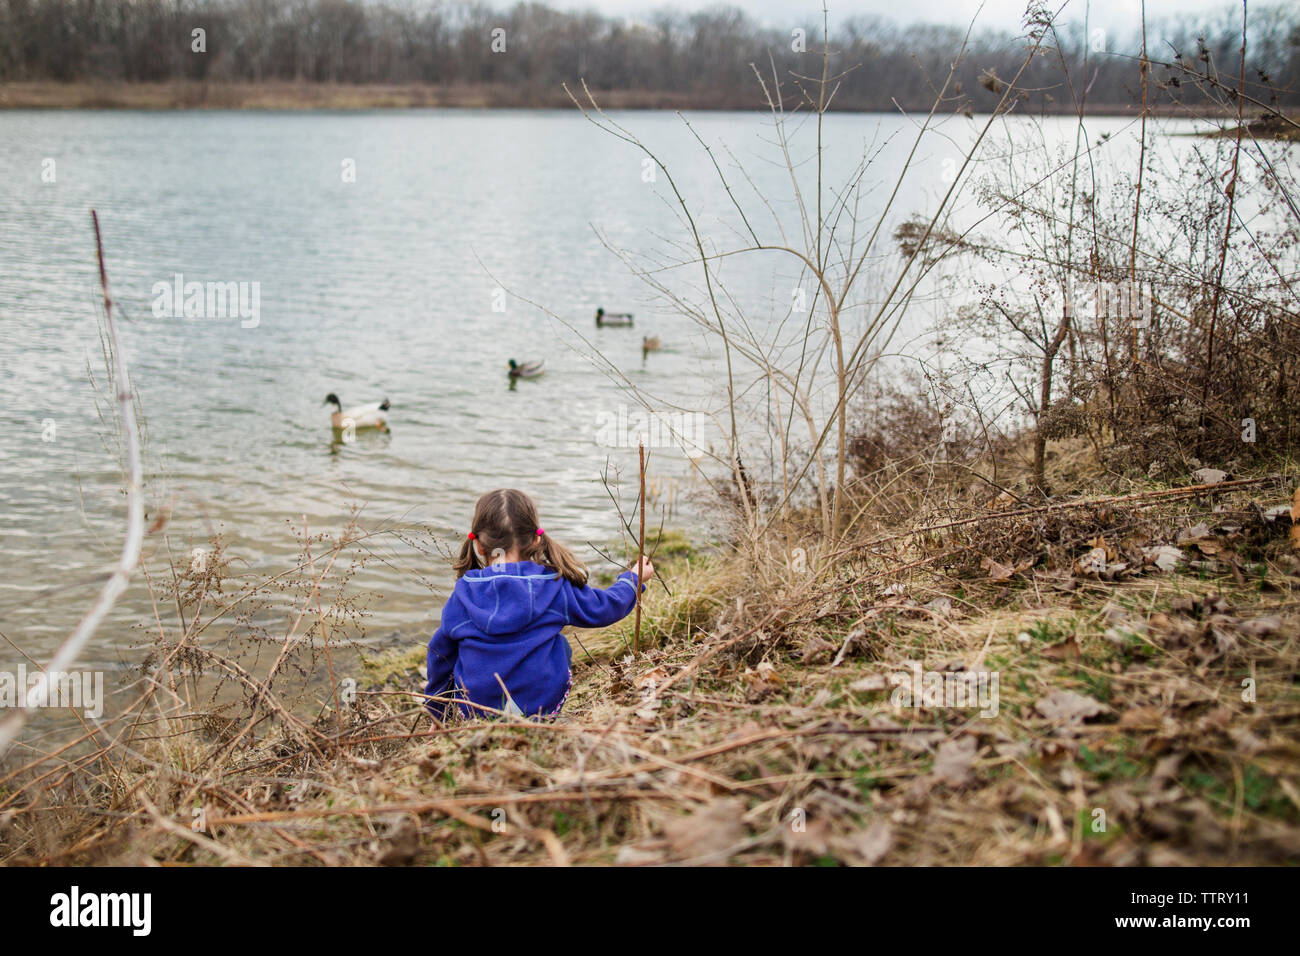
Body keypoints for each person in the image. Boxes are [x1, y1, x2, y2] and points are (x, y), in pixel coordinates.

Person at [424, 488, 653, 721]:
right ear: (535, 540)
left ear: (480, 546)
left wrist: (437, 711)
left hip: (476, 708)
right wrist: (632, 579)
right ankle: (541, 718)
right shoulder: (553, 584)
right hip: (540, 704)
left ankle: (488, 719)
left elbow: (439, 655)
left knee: (456, 650)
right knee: (560, 645)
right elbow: (604, 608)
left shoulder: (463, 594)